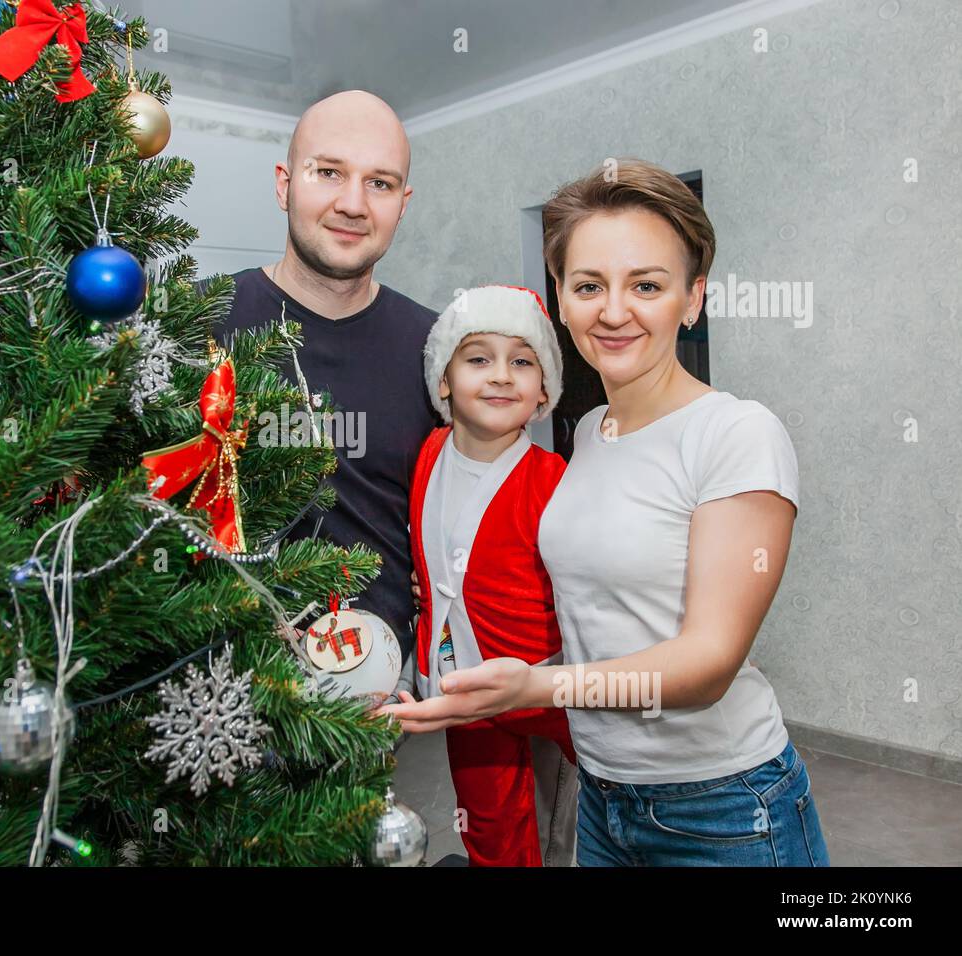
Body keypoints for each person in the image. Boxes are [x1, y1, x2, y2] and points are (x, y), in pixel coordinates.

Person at [378, 158, 830, 867]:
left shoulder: (737, 433)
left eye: (646, 285)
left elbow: (708, 663)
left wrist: (537, 686)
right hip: (603, 798)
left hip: (723, 805)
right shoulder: (588, 436)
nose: (613, 312)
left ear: (693, 298)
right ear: (561, 299)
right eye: (589, 286)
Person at [209, 90, 440, 672]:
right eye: (329, 172)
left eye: (380, 183)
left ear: (403, 203)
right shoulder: (200, 321)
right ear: (285, 184)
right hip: (213, 688)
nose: (353, 203)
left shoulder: (440, 347)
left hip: (377, 700)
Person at [390, 284, 577, 866]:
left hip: (547, 684)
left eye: (522, 362)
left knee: (585, 803)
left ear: (543, 390)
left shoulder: (556, 480)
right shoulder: (426, 454)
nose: (501, 376)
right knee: (489, 823)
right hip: (460, 683)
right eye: (478, 358)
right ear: (444, 381)